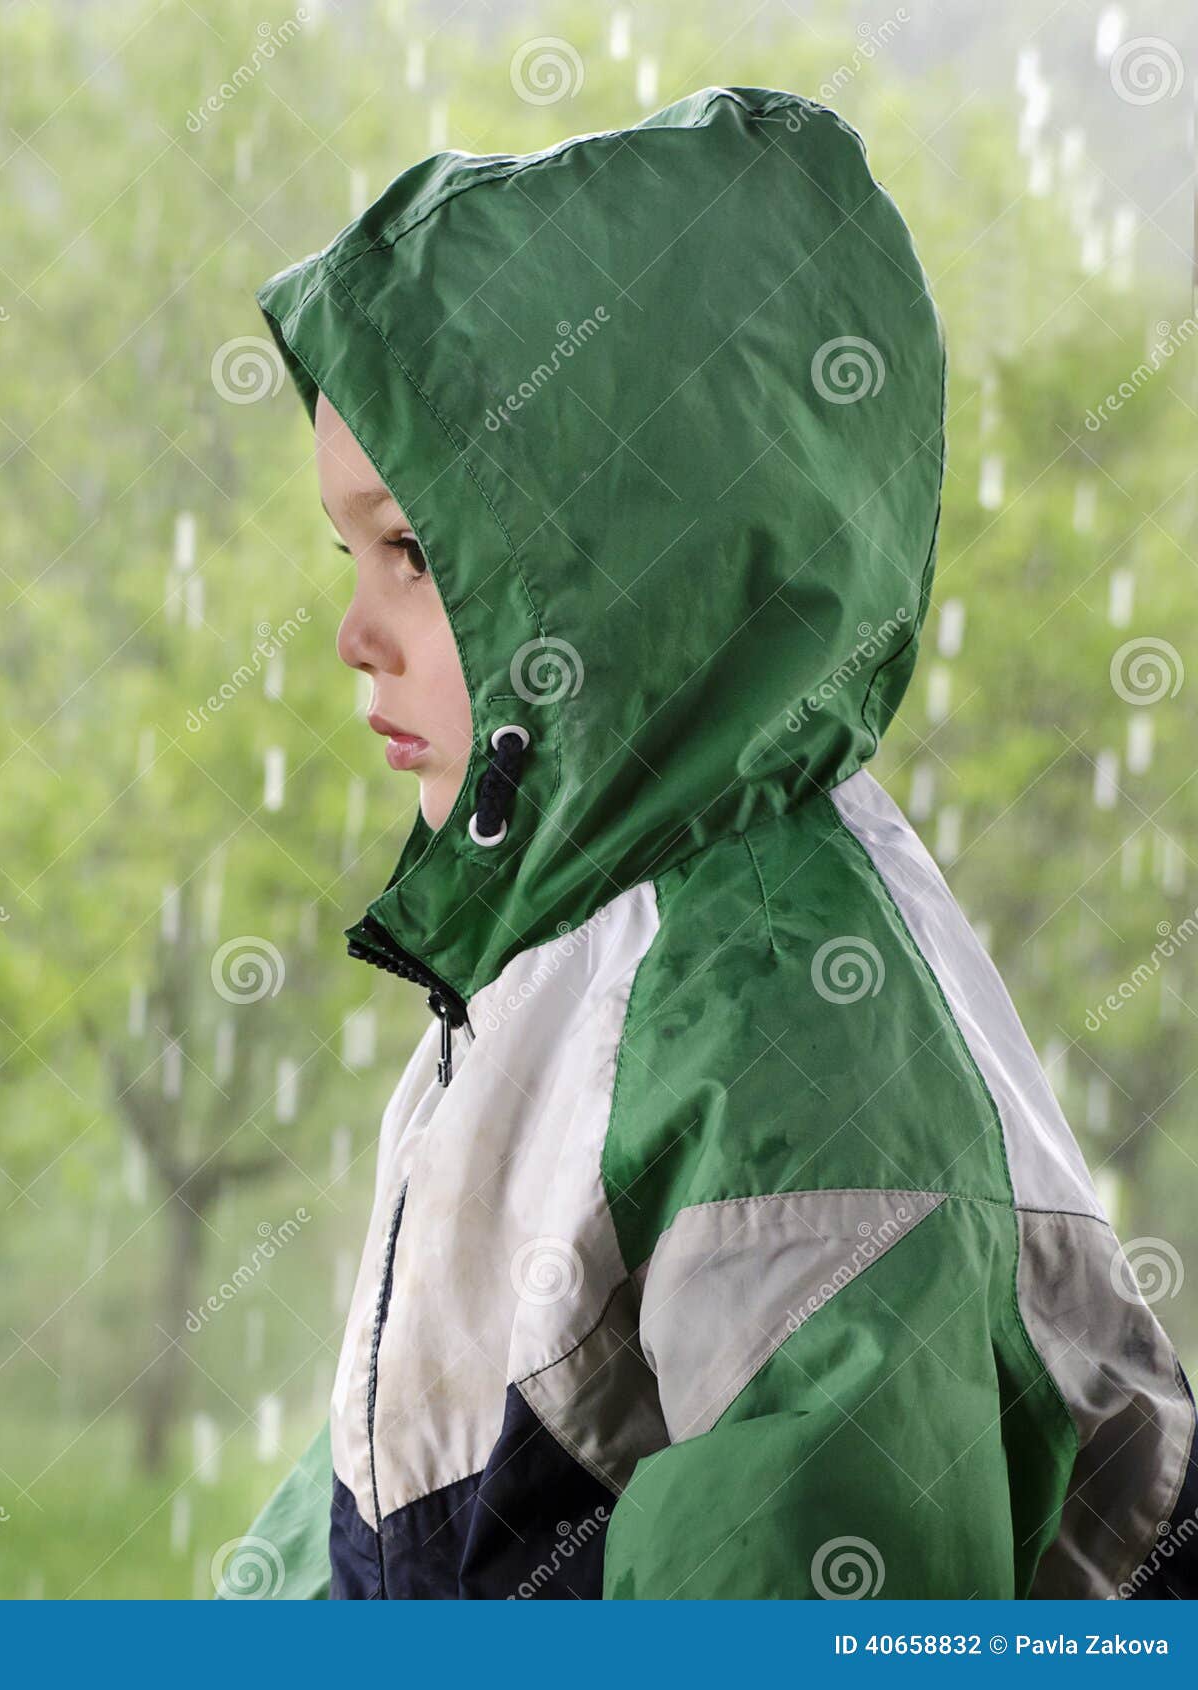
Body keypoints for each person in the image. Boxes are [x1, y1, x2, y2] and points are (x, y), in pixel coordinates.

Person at [234, 87, 1197, 1600]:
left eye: (415, 553)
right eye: (347, 551)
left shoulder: (784, 1025)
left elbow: (805, 1579)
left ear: (626, 568)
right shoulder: (570, 944)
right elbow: (396, 1490)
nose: (355, 631)